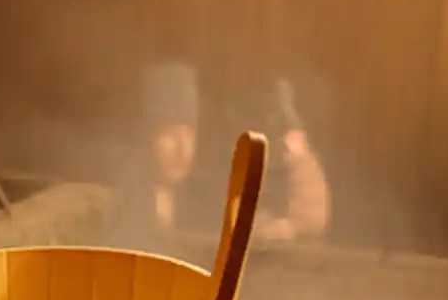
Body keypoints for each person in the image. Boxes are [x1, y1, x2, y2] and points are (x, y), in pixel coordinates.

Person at [131, 62, 332, 245]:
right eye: (169, 135)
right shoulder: (125, 203)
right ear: (147, 137)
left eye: (189, 135)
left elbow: (305, 217)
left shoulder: (213, 205)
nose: (182, 149)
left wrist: (287, 228)